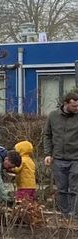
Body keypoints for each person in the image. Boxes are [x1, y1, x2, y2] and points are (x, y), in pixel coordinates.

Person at [43, 90, 78, 218]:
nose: (76, 108)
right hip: (58, 158)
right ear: (65, 104)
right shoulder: (53, 116)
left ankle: (74, 215)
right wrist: (48, 153)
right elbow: (47, 135)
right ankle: (65, 215)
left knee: (75, 189)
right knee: (61, 189)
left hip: (75, 159)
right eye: (74, 106)